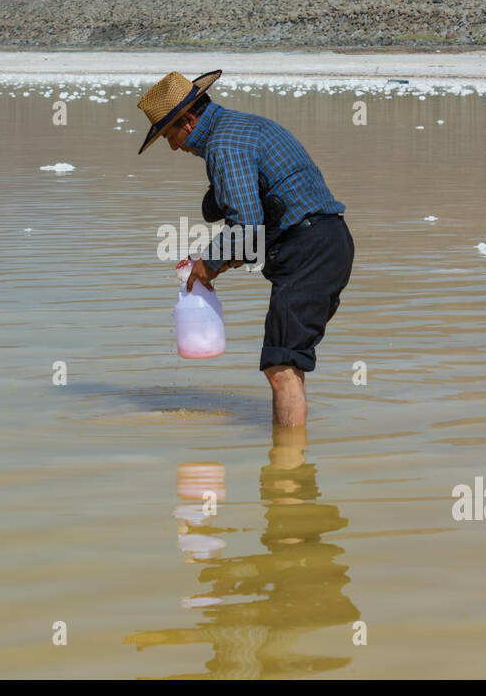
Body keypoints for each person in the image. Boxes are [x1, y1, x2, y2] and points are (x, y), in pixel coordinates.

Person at [137, 69, 354, 428]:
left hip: (309, 249)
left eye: (170, 135)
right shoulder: (243, 128)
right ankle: (291, 464)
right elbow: (262, 225)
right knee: (288, 361)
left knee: (280, 366)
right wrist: (217, 263)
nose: (174, 147)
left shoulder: (224, 144)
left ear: (189, 121)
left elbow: (246, 225)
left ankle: (286, 473)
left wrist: (207, 265)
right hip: (326, 243)